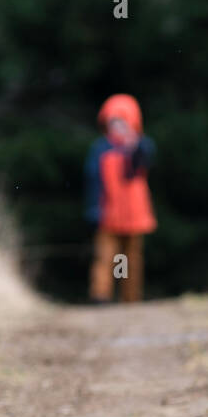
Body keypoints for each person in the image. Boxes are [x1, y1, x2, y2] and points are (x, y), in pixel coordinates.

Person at [84, 94, 157, 302]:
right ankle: (101, 295)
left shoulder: (139, 147)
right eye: (113, 123)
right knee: (106, 256)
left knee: (130, 259)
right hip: (108, 214)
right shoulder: (100, 149)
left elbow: (146, 159)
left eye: (122, 122)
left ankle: (130, 298)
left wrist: (134, 142)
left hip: (134, 215)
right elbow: (93, 180)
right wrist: (94, 208)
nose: (117, 128)